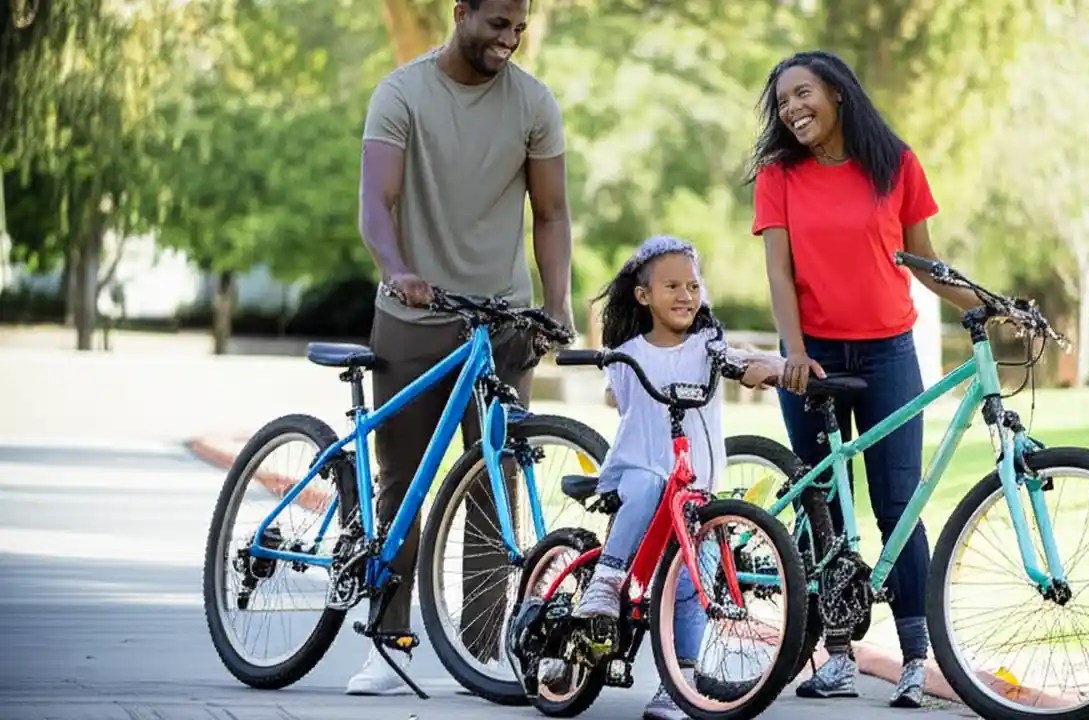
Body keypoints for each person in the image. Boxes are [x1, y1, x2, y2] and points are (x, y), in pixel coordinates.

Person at [350, 0, 574, 695]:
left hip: (501, 320)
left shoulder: (534, 103)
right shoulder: (403, 94)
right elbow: (375, 203)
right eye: (497, 23)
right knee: (402, 484)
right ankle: (389, 642)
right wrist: (398, 270)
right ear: (461, 12)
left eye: (519, 27)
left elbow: (552, 213)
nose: (509, 39)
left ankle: (480, 650)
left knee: (494, 480)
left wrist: (557, 303)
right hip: (412, 317)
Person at [746, 50, 981, 708]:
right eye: (782, 101)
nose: (791, 108)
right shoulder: (778, 175)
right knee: (824, 507)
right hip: (813, 357)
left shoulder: (895, 163)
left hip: (887, 355)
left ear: (838, 93)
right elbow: (779, 274)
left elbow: (925, 264)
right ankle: (838, 654)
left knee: (898, 505)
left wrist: (985, 306)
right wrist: (793, 351)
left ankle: (915, 655)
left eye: (802, 93)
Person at [570, 235, 781, 720]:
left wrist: (775, 367)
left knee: (690, 582)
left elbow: (745, 363)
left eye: (692, 285)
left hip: (694, 495)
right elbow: (615, 398)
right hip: (639, 478)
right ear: (643, 296)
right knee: (647, 483)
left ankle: (678, 683)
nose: (686, 295)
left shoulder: (708, 346)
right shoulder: (629, 353)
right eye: (672, 286)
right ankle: (606, 578)